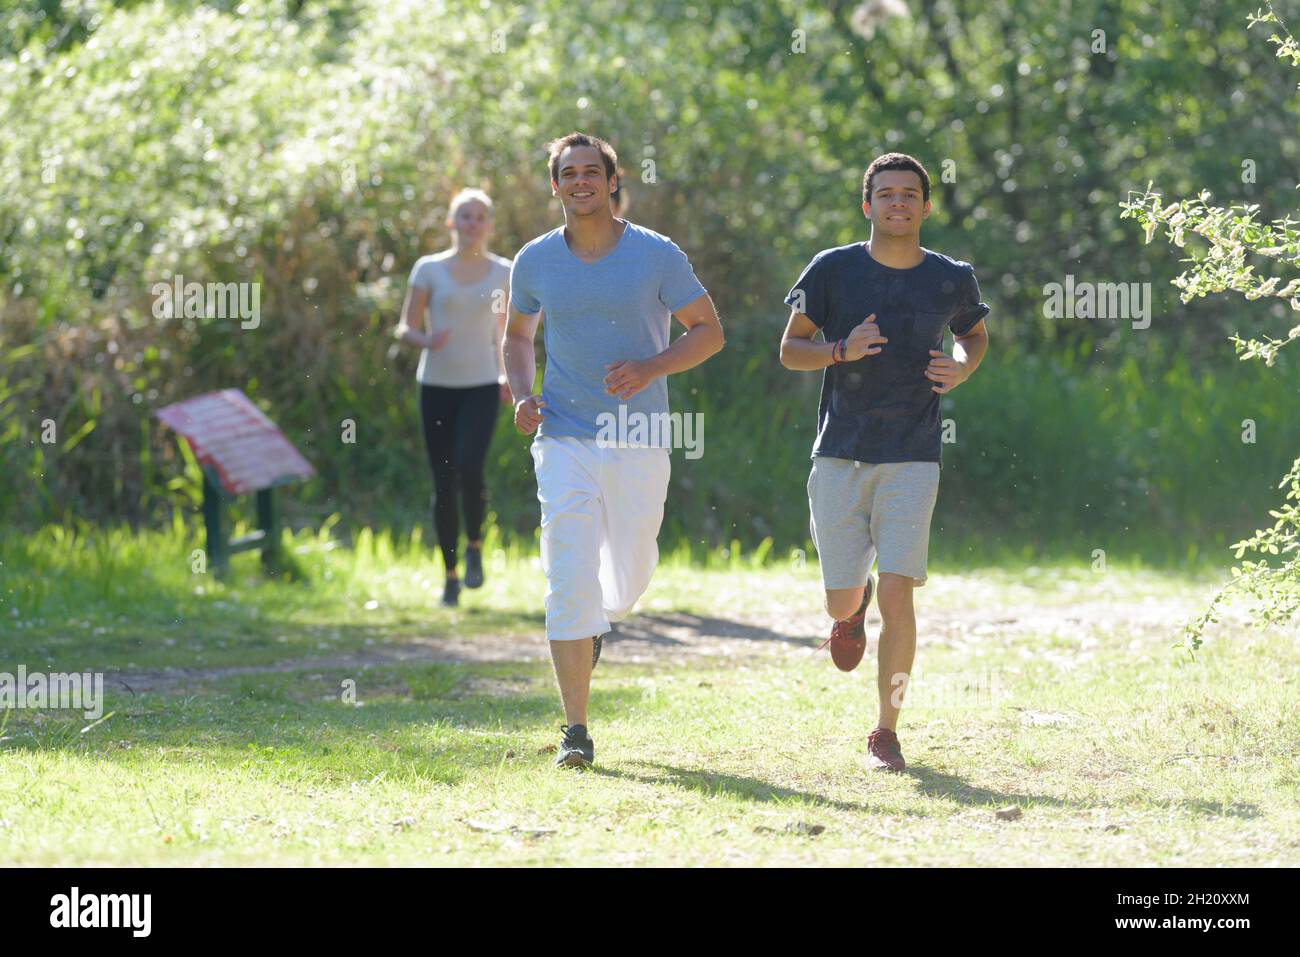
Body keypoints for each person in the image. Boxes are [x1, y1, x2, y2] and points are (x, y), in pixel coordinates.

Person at [503, 132, 724, 769]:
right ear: (555, 185)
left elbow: (709, 332)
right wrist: (523, 393)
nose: (580, 182)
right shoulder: (535, 260)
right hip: (563, 433)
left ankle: (597, 621)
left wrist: (651, 367)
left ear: (611, 180)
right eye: (568, 173)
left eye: (591, 172)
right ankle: (577, 729)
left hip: (640, 438)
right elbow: (518, 337)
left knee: (625, 577)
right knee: (567, 573)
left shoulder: (655, 254)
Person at [779, 152, 990, 772]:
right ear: (866, 204)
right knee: (842, 600)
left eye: (910, 194)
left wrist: (962, 365)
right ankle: (851, 612)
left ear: (926, 206)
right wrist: (842, 349)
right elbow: (791, 351)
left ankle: (885, 732)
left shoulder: (951, 277)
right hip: (839, 454)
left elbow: (974, 335)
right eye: (886, 193)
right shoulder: (832, 270)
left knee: (903, 594)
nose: (898, 203)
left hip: (914, 455)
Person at [394, 188, 512, 607]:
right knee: (442, 481)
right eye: (465, 216)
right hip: (436, 387)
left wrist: (508, 376)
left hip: (482, 384)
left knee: (469, 466)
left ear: (489, 225)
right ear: (451, 223)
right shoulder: (429, 269)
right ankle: (449, 576)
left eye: (480, 217)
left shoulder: (504, 272)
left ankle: (475, 544)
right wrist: (426, 338)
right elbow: (404, 327)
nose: (472, 224)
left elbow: (508, 333)